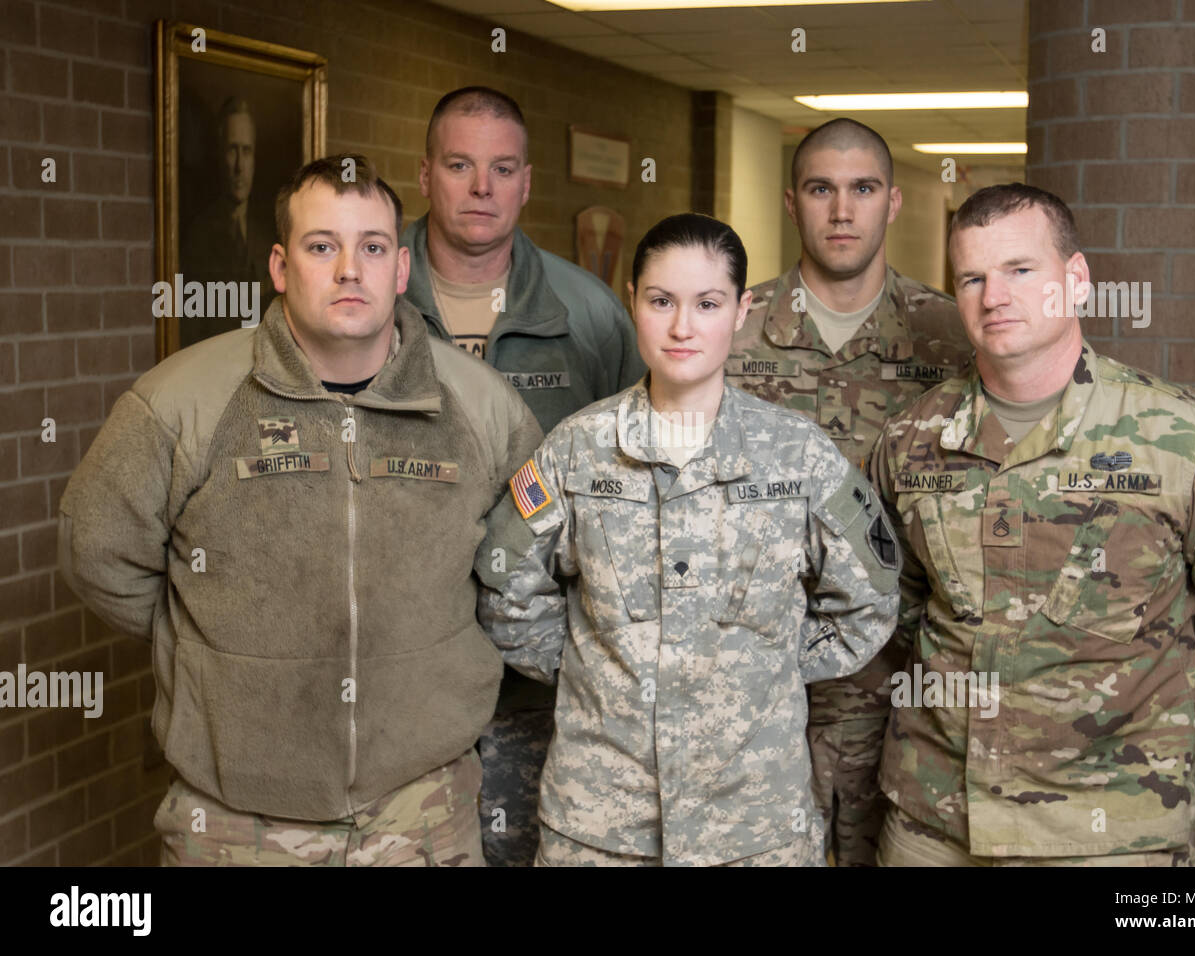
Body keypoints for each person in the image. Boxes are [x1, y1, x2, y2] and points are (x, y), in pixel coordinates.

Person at [58, 154, 542, 866]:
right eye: (324, 246)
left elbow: (520, 568)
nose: (351, 269)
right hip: (235, 827)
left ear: (400, 270)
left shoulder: (482, 407)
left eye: (373, 247)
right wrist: (207, 648)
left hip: (423, 815)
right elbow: (97, 553)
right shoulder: (180, 403)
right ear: (281, 267)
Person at [868, 182, 1195, 866]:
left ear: (1075, 281)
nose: (994, 296)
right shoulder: (910, 441)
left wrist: (1182, 719)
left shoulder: (1181, 438)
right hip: (935, 819)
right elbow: (895, 598)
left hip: (1108, 831)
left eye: (1019, 270)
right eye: (972, 277)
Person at [475, 213, 901, 866]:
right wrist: (594, 667)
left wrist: (771, 665)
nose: (682, 327)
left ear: (741, 310)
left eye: (707, 304)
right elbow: (505, 588)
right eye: (661, 301)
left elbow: (869, 594)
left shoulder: (798, 458)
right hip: (601, 831)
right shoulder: (576, 453)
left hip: (755, 830)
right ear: (632, 302)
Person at [401, 85, 645, 867]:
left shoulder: (590, 316)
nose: (482, 188)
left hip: (534, 683)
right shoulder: (371, 297)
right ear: (425, 174)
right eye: (460, 165)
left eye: (502, 169)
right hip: (395, 671)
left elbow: (633, 486)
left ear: (527, 182)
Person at [726, 117, 971, 865]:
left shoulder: (951, 336)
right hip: (754, 680)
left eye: (862, 189)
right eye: (821, 189)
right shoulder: (729, 329)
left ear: (893, 202)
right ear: (792, 201)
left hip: (900, 688)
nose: (842, 211)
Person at [180, 96, 276, 345]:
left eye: (246, 151)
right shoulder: (197, 237)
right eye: (232, 150)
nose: (239, 166)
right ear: (219, 156)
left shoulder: (268, 235)